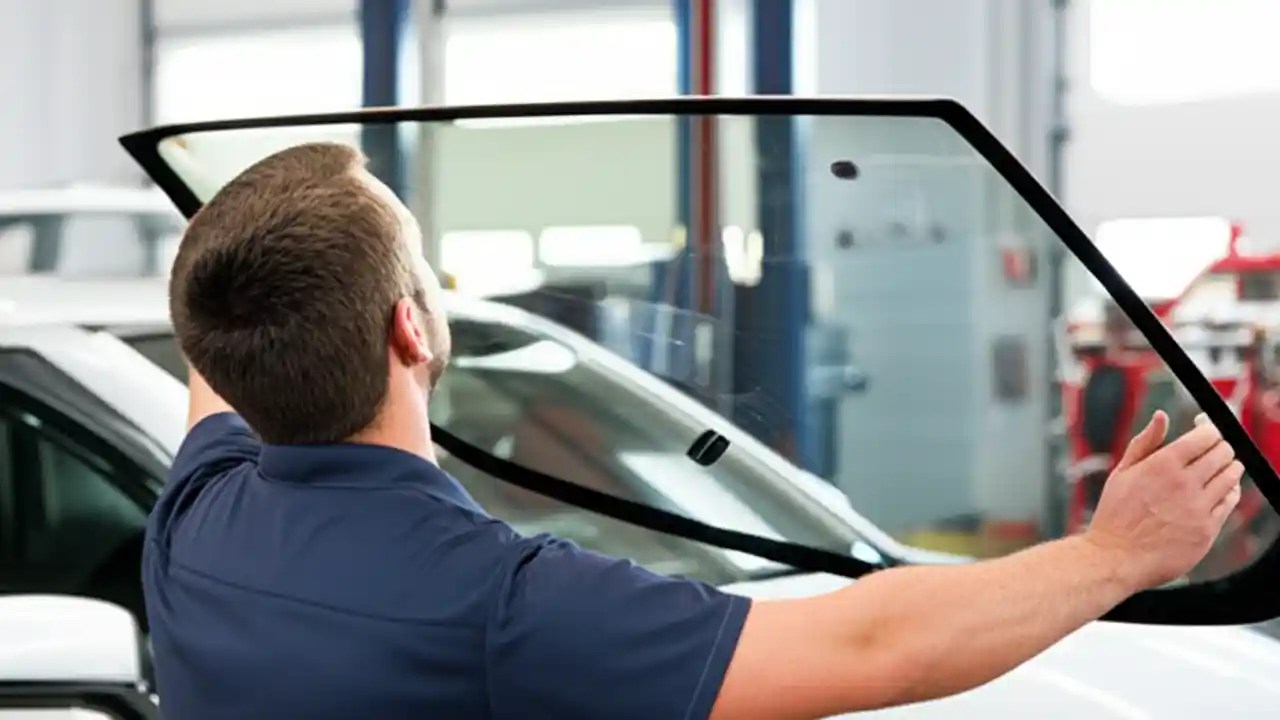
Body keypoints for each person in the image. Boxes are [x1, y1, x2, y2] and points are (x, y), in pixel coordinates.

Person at [143, 142, 1244, 720]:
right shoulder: (497, 606)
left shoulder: (197, 518)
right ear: (410, 327)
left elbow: (224, 316)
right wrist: (1114, 557)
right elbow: (873, 647)